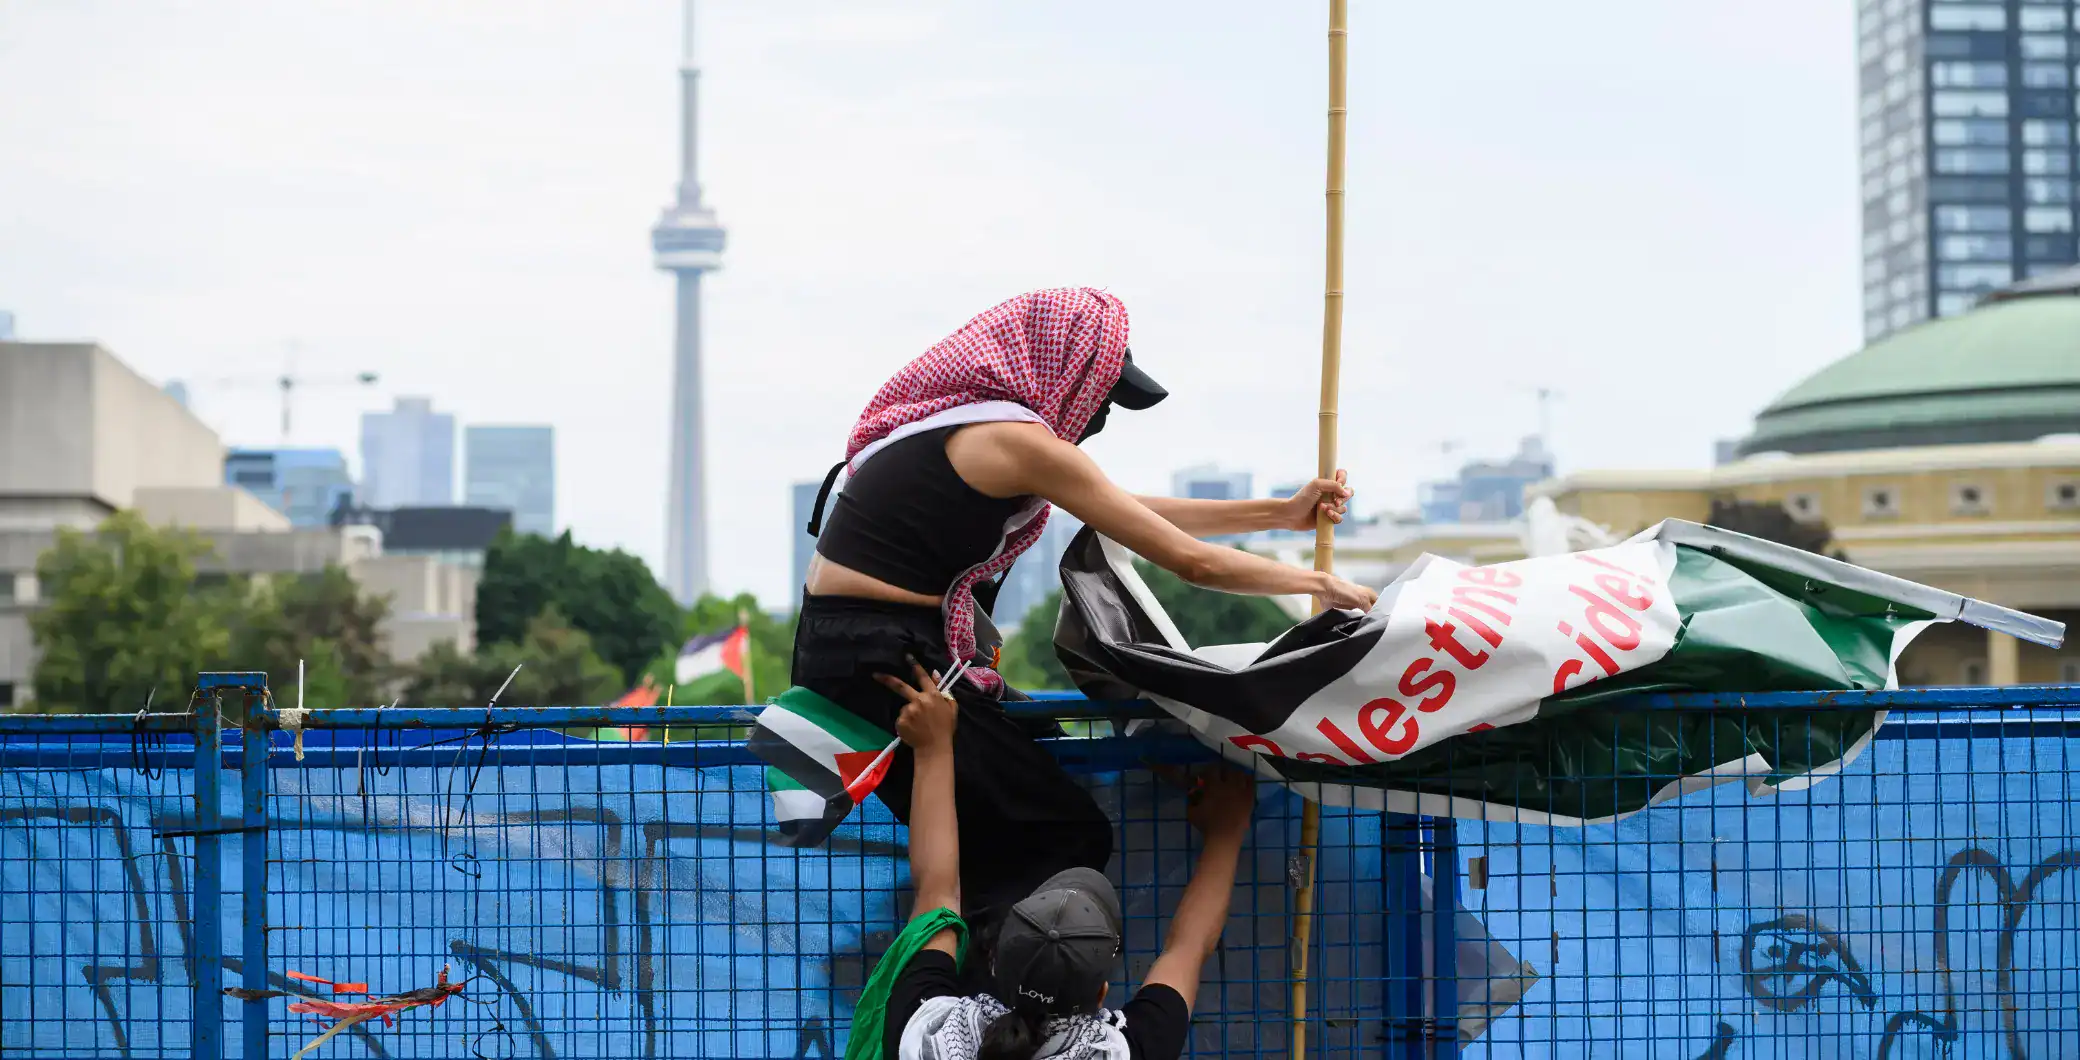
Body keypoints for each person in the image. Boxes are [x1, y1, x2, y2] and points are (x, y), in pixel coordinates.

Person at [793, 287, 1378, 960]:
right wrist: (1320, 584)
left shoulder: (964, 426)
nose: (1099, 413)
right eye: (1102, 392)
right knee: (1063, 835)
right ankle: (990, 1003)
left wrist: (1279, 514)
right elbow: (1190, 561)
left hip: (855, 651)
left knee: (1033, 776)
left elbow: (1119, 506)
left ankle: (957, 972)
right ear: (1063, 369)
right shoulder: (1015, 440)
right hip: (887, 662)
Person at [868, 662, 1257, 1060]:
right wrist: (1226, 831)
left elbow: (937, 898)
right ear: (1102, 993)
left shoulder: (930, 1033)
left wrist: (933, 747)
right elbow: (1187, 949)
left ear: (994, 962)